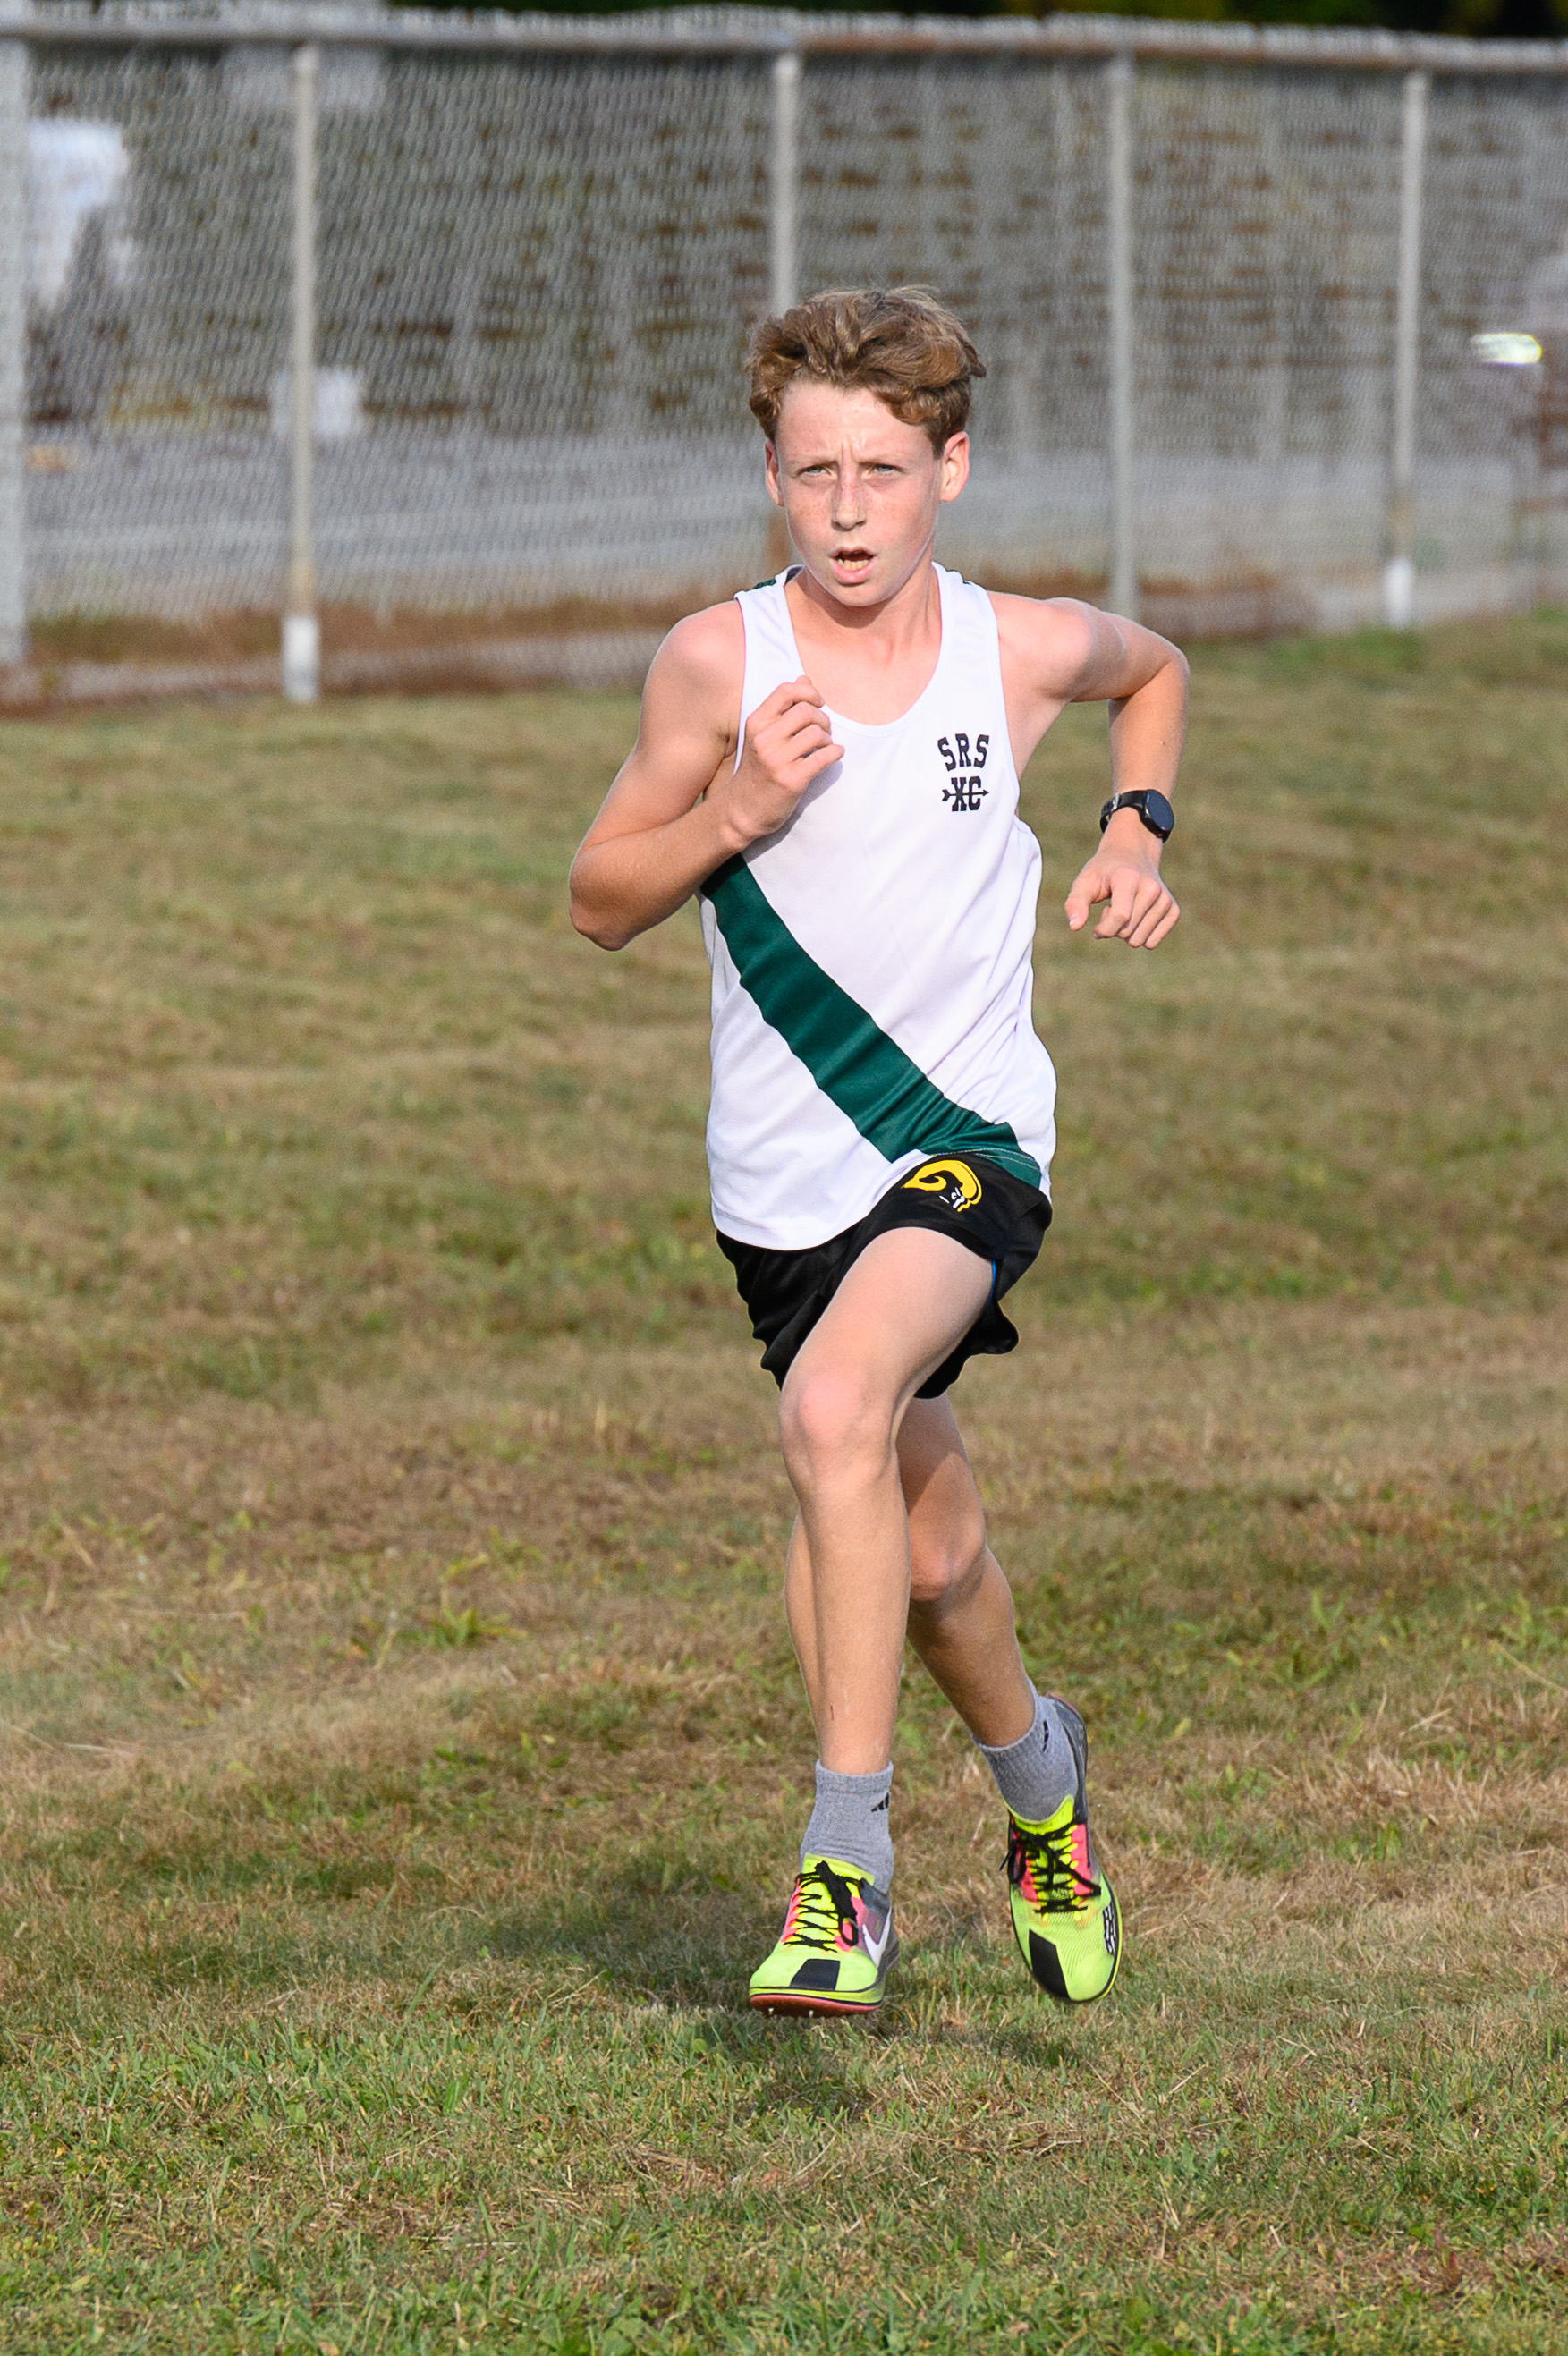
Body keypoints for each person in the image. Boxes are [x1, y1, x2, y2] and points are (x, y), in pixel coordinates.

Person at [569, 286, 1185, 2018]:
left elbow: (1154, 671)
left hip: (967, 1138)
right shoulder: (717, 663)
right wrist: (735, 811)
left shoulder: (1018, 649)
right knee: (925, 1553)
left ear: (950, 468)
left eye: (884, 472)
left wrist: (1136, 828)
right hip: (783, 1183)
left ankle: (845, 1870)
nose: (848, 512)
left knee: (833, 1412)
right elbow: (599, 897)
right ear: (769, 477)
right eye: (814, 473)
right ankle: (1045, 1785)